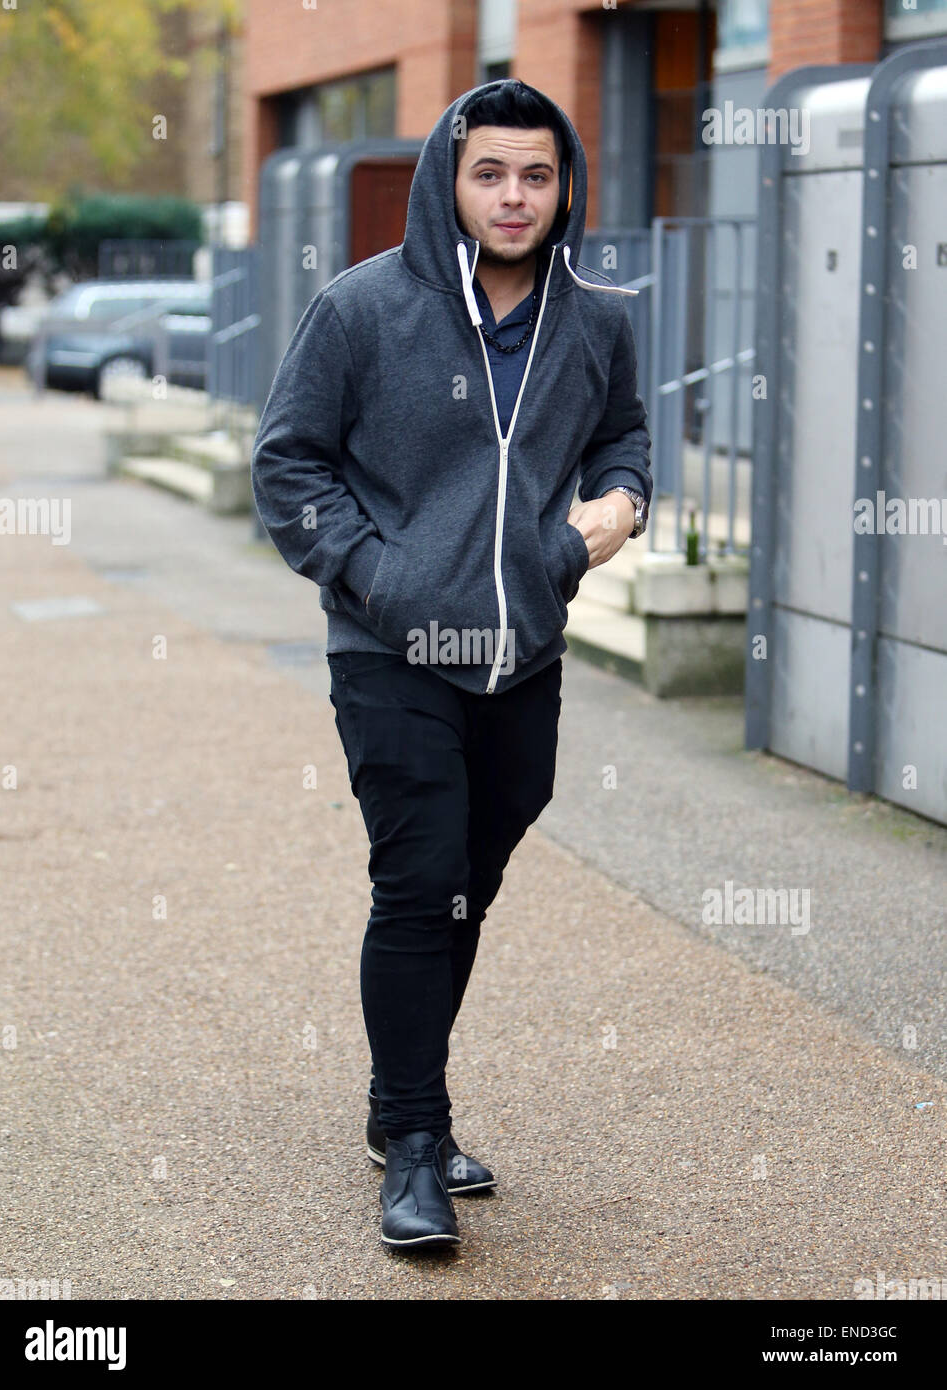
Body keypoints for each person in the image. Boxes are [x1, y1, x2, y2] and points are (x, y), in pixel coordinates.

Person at [251, 78, 652, 1249]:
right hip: (393, 650)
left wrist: (614, 506)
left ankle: (396, 1098)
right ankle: (415, 1145)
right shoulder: (363, 309)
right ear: (451, 178)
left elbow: (622, 432)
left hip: (522, 650)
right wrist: (378, 578)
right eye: (491, 173)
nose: (515, 196)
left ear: (563, 182)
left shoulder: (598, 317)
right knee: (422, 878)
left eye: (537, 174)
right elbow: (287, 466)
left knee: (474, 872)